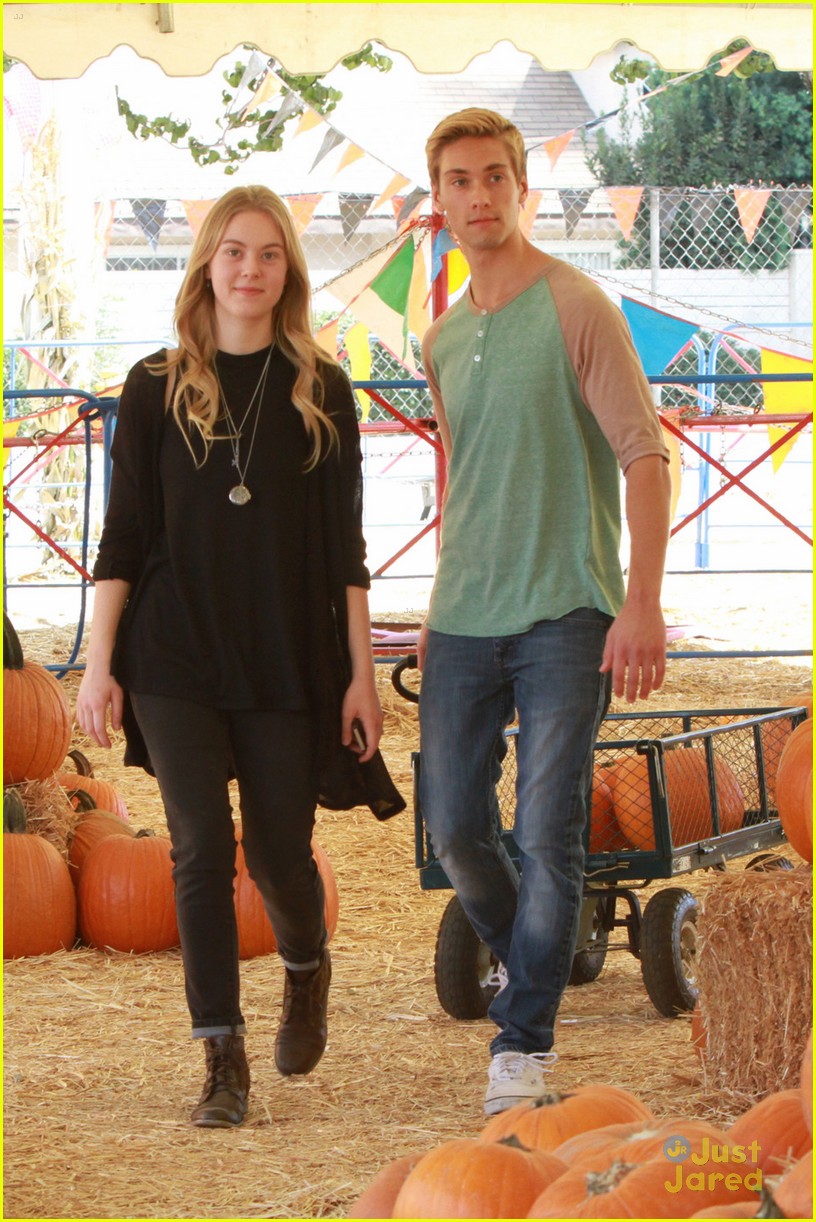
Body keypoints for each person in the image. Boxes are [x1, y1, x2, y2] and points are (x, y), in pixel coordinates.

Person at [75, 185, 386, 1129]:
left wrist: (362, 674)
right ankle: (222, 1056)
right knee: (201, 852)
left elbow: (345, 551)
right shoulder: (155, 385)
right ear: (206, 262)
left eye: (270, 255)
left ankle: (305, 966)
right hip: (174, 656)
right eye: (234, 252)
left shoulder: (320, 388)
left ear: (288, 272)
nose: (250, 270)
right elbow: (124, 538)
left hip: (289, 658)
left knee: (284, 855)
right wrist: (98, 663)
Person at [417, 109, 672, 1115]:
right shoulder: (439, 337)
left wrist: (639, 601)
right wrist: (435, 610)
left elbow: (644, 457)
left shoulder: (578, 306)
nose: (478, 196)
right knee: (453, 829)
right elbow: (466, 483)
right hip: (465, 614)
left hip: (569, 608)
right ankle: (540, 945)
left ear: (521, 187)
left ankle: (522, 1043)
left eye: (494, 177)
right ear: (437, 200)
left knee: (546, 825)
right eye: (458, 181)